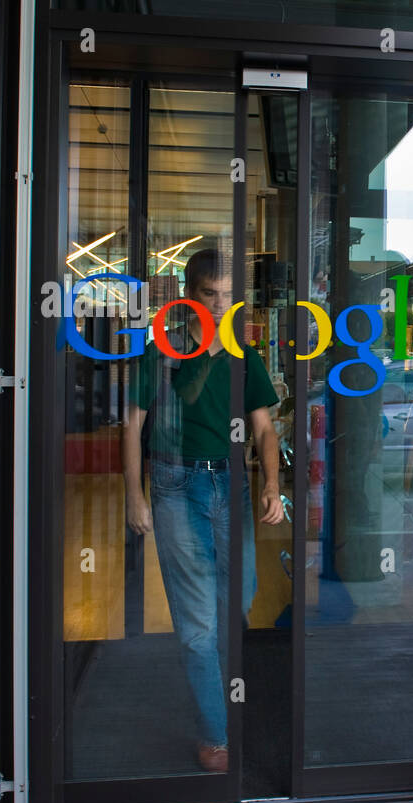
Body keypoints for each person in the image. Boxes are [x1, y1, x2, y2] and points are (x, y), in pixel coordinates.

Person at [122, 249, 285, 774]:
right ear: (191, 295)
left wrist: (272, 484)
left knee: (238, 600)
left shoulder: (243, 355)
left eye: (227, 295)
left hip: (230, 484)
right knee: (197, 625)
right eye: (210, 294)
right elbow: (132, 426)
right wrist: (134, 494)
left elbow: (263, 429)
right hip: (174, 483)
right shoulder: (162, 352)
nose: (219, 305)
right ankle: (215, 734)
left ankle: (223, 690)